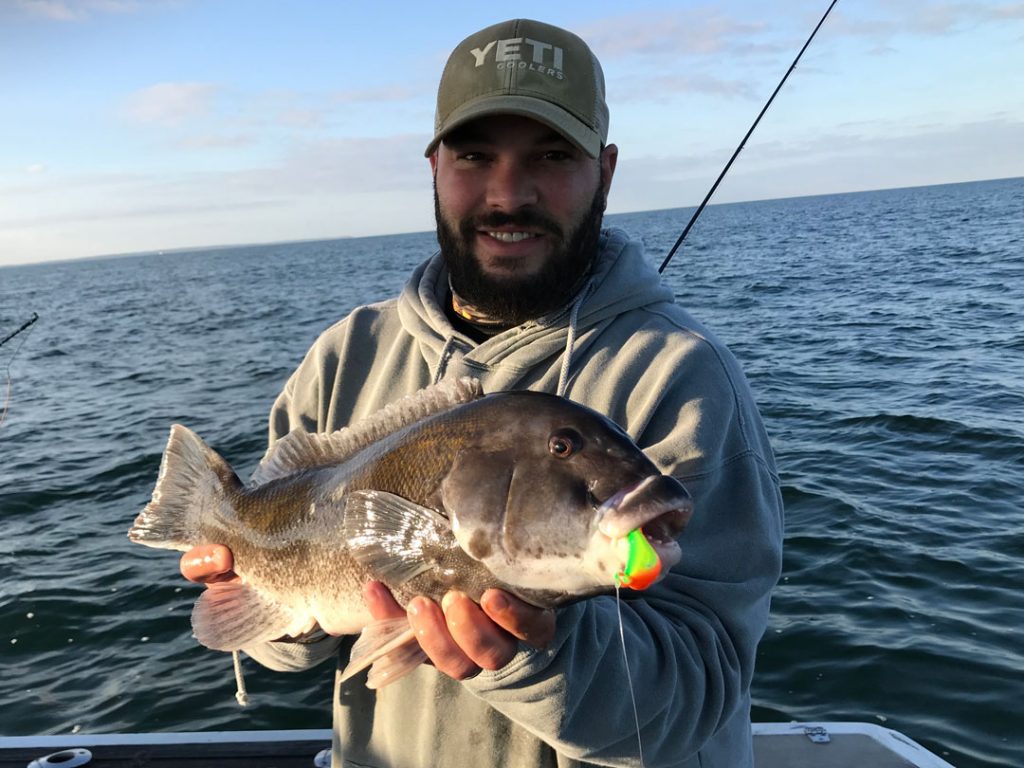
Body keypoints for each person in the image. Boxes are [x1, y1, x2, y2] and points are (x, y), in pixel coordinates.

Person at [181, 18, 783, 768]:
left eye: (552, 155)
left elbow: (701, 693)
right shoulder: (345, 356)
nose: (509, 193)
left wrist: (539, 649)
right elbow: (284, 651)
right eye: (474, 155)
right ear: (434, 166)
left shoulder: (682, 377)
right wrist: (268, 590)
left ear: (606, 169)